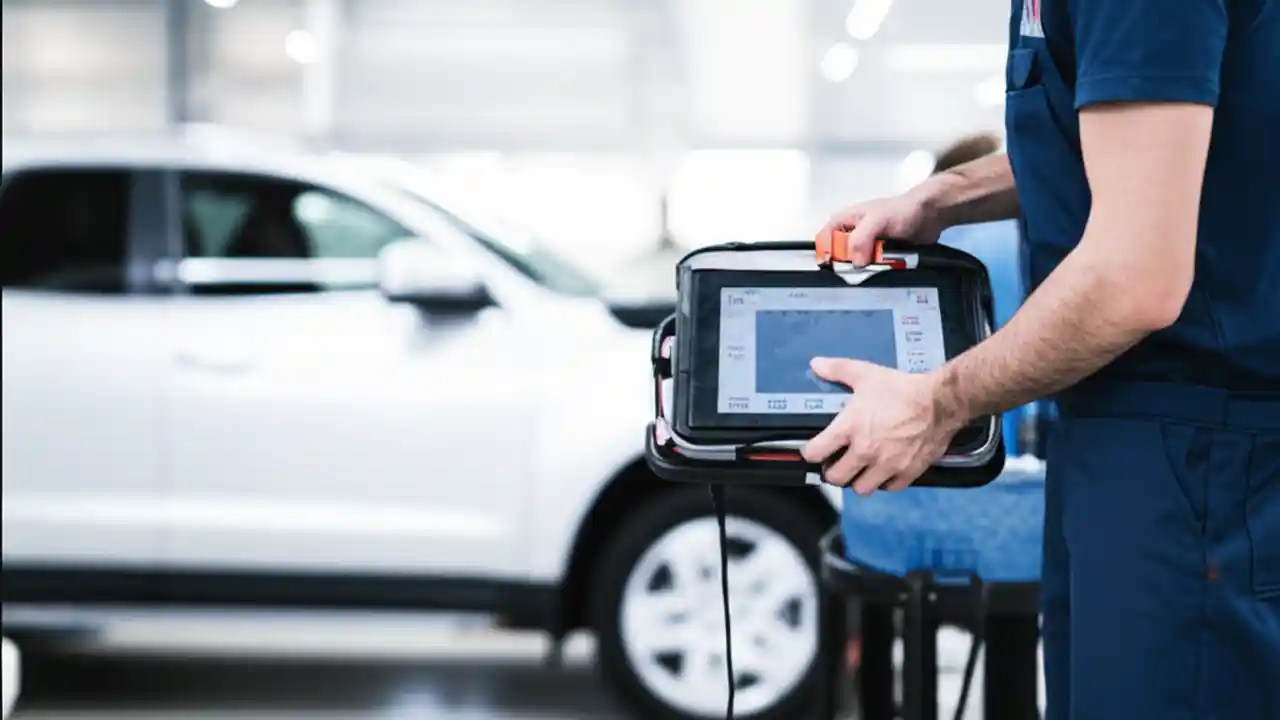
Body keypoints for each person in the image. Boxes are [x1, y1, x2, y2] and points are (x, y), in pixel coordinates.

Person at [809, 1, 1279, 718]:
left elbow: (1133, 281)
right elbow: (1130, 139)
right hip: (1120, 439)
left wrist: (938, 403)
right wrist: (943, 197)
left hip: (1193, 463)